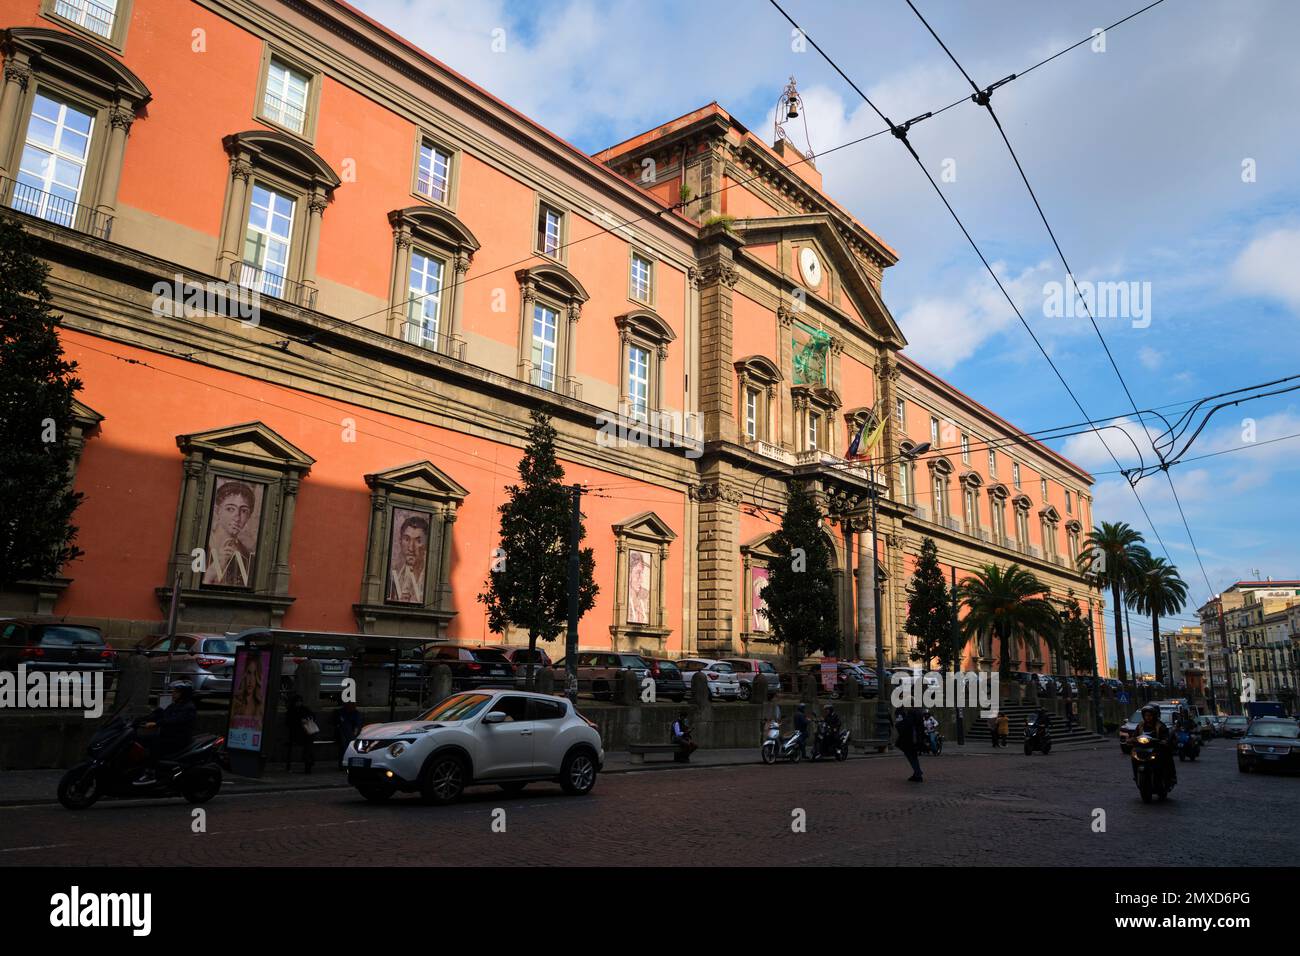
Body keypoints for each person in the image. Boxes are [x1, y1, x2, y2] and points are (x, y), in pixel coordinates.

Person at [135, 680, 198, 784]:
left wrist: (156, 724)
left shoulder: (188, 708)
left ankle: (150, 774)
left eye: (176, 692)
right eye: (173, 691)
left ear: (184, 694)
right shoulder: (175, 705)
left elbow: (174, 720)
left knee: (153, 746)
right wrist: (142, 719)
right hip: (167, 736)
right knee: (139, 740)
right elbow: (161, 714)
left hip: (178, 739)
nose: (173, 694)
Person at [204, 480, 257, 587]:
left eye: (243, 511)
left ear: (249, 516)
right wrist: (209, 576)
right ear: (217, 510)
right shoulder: (203, 544)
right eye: (230, 509)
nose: (237, 517)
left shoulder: (246, 555)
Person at [1138, 702, 1176, 786]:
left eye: (1150, 715)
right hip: (1143, 749)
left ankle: (1171, 777)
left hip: (1157, 748)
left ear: (1155, 715)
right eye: (1146, 715)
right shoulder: (1140, 725)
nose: (1148, 717)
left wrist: (1164, 741)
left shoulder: (1160, 725)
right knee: (1134, 755)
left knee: (1167, 757)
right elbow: (1135, 735)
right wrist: (1130, 739)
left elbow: (1166, 736)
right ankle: (1136, 775)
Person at [285, 694, 318, 774]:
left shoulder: (305, 709)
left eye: (300, 701)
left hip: (307, 733)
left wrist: (307, 719)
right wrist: (300, 722)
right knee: (308, 745)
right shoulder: (291, 711)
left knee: (309, 745)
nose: (298, 703)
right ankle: (309, 761)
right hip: (297, 734)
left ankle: (308, 761)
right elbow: (289, 723)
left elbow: (312, 716)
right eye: (297, 702)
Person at [895, 706, 924, 782]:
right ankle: (917, 773)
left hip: (910, 739)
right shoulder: (919, 712)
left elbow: (907, 725)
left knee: (911, 755)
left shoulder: (911, 713)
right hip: (916, 738)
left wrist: (898, 725)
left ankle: (918, 773)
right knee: (913, 756)